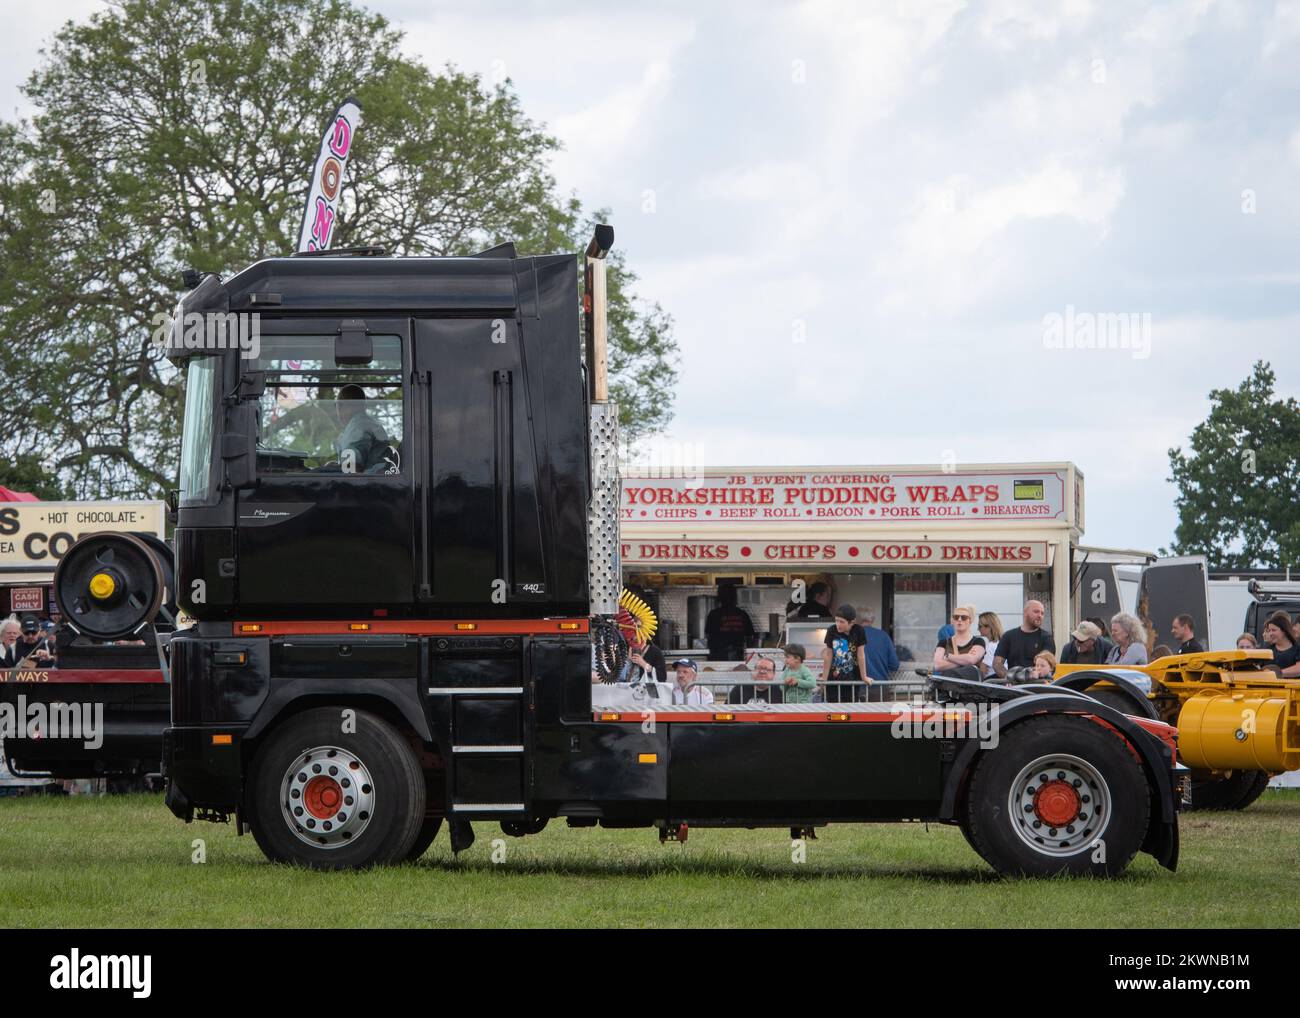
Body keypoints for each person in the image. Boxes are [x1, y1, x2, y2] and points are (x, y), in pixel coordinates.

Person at [335, 383, 390, 472]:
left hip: (370, 479)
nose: (338, 411)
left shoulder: (358, 426)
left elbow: (353, 468)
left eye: (340, 405)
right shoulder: (370, 424)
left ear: (354, 405)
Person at [993, 600, 1056, 678]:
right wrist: (1009, 678)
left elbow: (1046, 665)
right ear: (1025, 612)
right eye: (1036, 612)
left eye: (1042, 613)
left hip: (1037, 683)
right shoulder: (1008, 636)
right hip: (1013, 683)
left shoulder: (1047, 638)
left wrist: (1028, 677)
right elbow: (997, 664)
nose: (1040, 615)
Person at [822, 604, 869, 702]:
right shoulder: (831, 630)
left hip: (853, 678)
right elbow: (828, 655)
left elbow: (861, 655)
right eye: (836, 620)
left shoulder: (859, 631)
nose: (838, 624)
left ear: (852, 622)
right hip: (834, 678)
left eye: (842, 622)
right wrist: (824, 679)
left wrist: (864, 676)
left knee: (850, 707)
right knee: (833, 707)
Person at [932, 605, 985, 681]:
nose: (959, 620)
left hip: (971, 686)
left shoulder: (978, 641)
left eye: (964, 617)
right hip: (947, 685)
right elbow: (938, 665)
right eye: (956, 617)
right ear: (952, 620)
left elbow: (972, 660)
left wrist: (948, 657)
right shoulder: (943, 642)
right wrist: (965, 660)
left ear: (970, 620)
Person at [704, 584, 755, 661]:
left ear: (719, 598)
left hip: (717, 656)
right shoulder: (742, 614)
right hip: (737, 656)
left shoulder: (714, 614)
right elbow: (750, 635)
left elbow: (708, 633)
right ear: (735, 598)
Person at [859, 606, 900, 700]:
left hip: (857, 688)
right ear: (873, 619)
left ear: (857, 619)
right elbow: (895, 665)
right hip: (880, 688)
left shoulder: (852, 636)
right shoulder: (883, 636)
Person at [1261, 611, 1300, 678]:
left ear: (1284, 631)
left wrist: (1278, 673)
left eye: (1274, 630)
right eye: (1269, 630)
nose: (1271, 634)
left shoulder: (1297, 649)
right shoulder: (1266, 651)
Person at [977, 612, 1003, 678]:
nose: (978, 629)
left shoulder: (991, 646)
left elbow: (983, 669)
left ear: (989, 627)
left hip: (991, 681)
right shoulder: (1001, 643)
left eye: (980, 626)